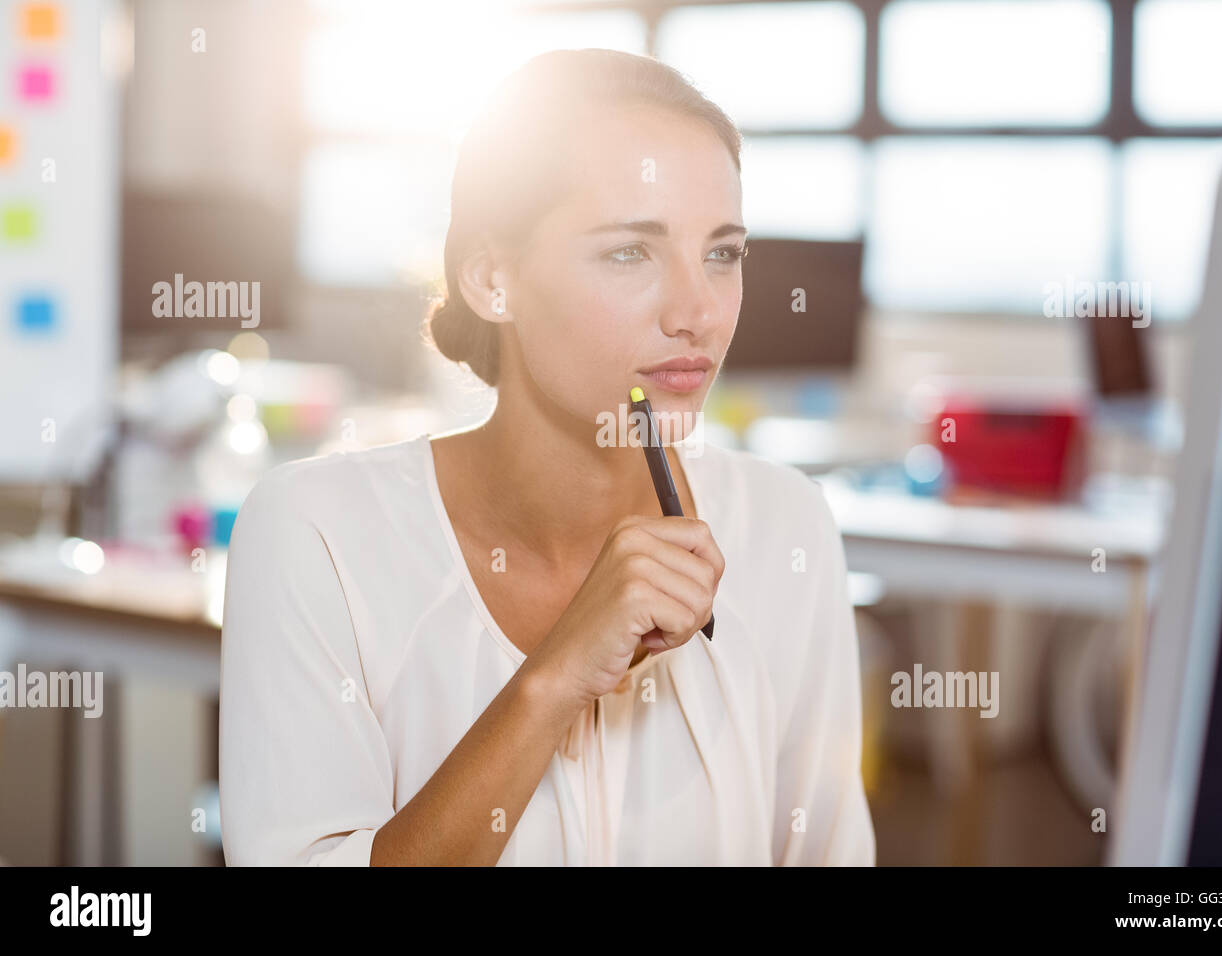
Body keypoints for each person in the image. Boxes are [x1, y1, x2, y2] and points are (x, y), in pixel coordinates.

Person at [218, 47, 875, 866]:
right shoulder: (316, 534)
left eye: (722, 253)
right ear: (494, 278)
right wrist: (555, 677)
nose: (698, 312)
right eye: (630, 252)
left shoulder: (785, 525)